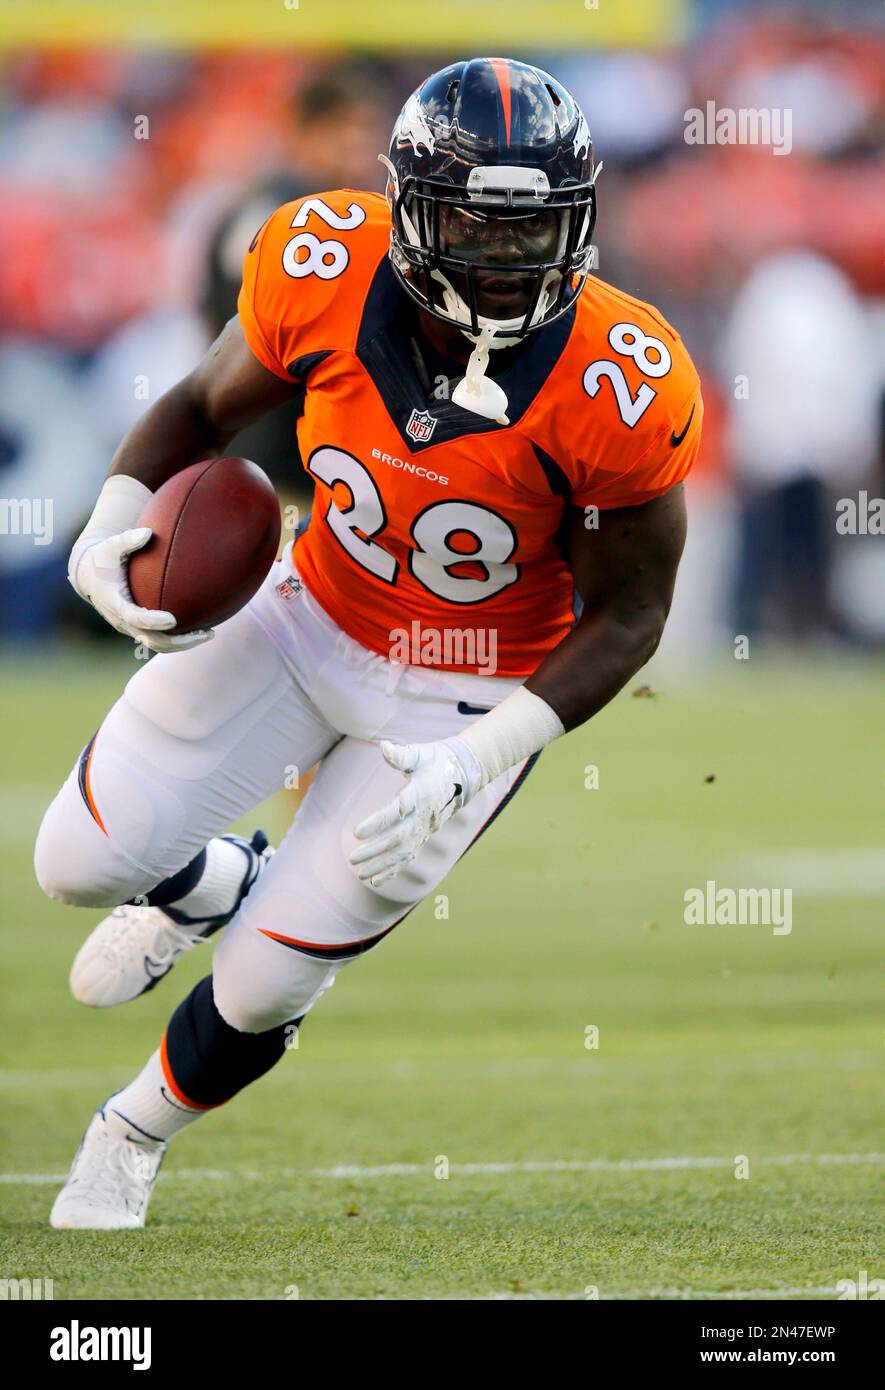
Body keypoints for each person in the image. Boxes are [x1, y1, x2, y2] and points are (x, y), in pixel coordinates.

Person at [35, 57, 702, 1229]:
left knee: (265, 980)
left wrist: (487, 751)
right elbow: (201, 403)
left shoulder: (621, 378)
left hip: (467, 696)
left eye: (533, 230)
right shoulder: (321, 263)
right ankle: (209, 879)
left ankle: (130, 1131)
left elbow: (634, 612)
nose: (508, 260)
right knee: (75, 863)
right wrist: (114, 509)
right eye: (474, 226)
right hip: (311, 615)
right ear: (405, 213)